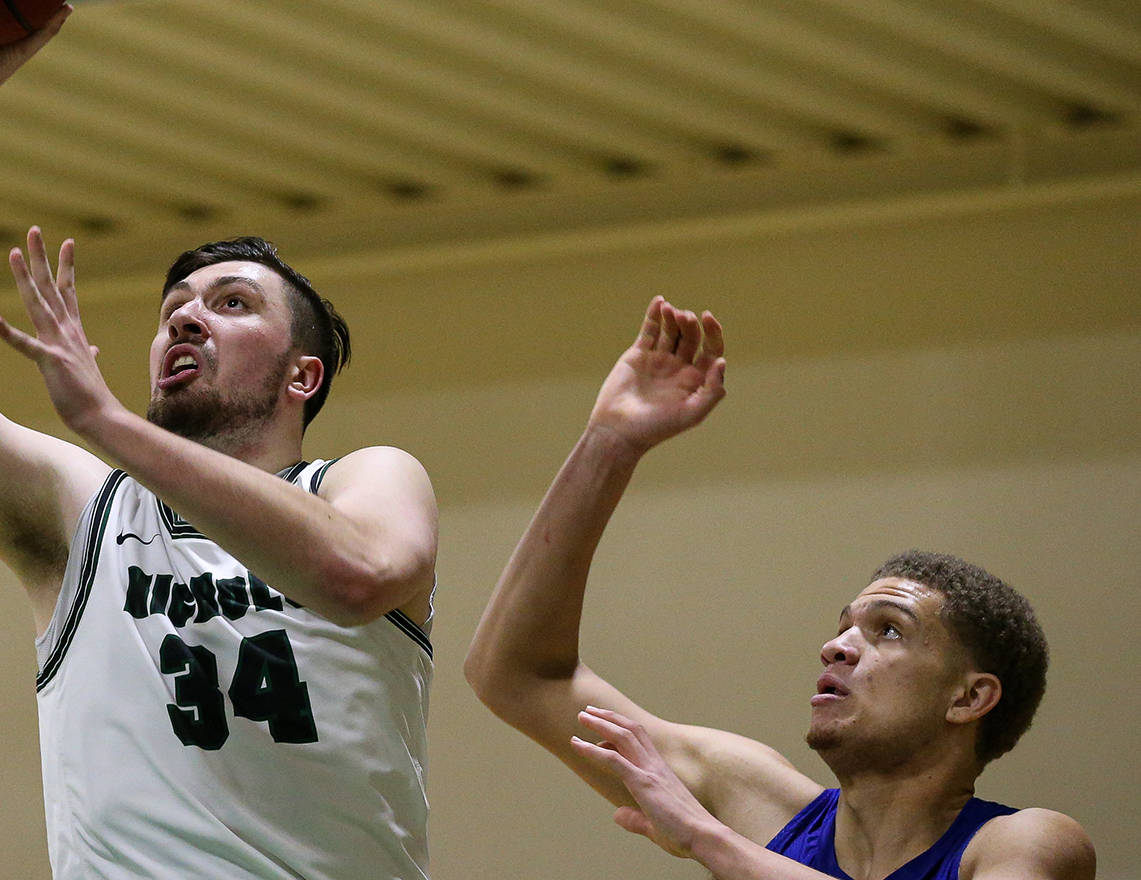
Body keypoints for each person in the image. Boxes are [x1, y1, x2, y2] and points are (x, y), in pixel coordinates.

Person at [0, 17, 438, 879]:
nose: (186, 314)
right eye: (177, 304)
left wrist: (109, 423)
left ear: (302, 376)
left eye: (233, 303)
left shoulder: (364, 478)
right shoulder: (87, 512)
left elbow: (357, 575)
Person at [463, 297, 1097, 880]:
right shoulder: (759, 802)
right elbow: (519, 676)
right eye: (846, 624)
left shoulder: (1029, 843)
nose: (837, 646)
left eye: (890, 631)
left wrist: (704, 836)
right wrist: (610, 443)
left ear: (969, 697)